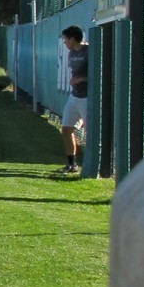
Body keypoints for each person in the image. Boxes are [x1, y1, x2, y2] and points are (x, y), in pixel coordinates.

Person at [59, 25, 88, 175]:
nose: (64, 43)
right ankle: (72, 164)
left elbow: (101, 71)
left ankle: (91, 165)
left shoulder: (89, 51)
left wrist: (82, 79)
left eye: (65, 39)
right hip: (74, 95)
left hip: (87, 97)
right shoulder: (71, 53)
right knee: (66, 129)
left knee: (90, 133)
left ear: (72, 39)